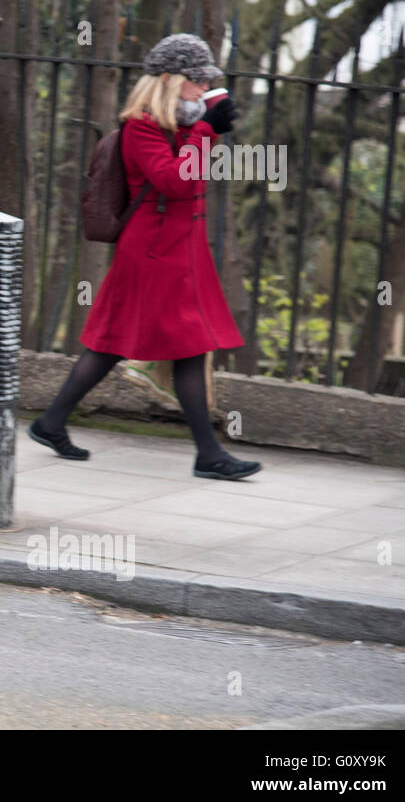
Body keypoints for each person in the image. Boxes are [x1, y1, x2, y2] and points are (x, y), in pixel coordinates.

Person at [29, 33, 261, 480]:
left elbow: (190, 180)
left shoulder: (183, 125)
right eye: (198, 81)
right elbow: (174, 182)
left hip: (178, 250)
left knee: (113, 342)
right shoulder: (142, 125)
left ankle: (51, 422)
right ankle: (209, 455)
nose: (203, 88)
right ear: (174, 81)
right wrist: (208, 130)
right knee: (188, 346)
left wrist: (205, 130)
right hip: (155, 253)